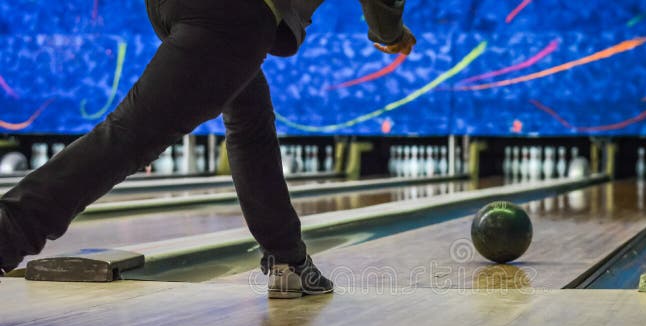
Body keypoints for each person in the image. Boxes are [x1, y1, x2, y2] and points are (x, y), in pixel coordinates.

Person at [0, 0, 416, 298]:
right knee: (130, 135)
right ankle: (7, 234)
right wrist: (391, 35)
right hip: (234, 16)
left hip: (171, 8)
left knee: (250, 119)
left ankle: (288, 260)